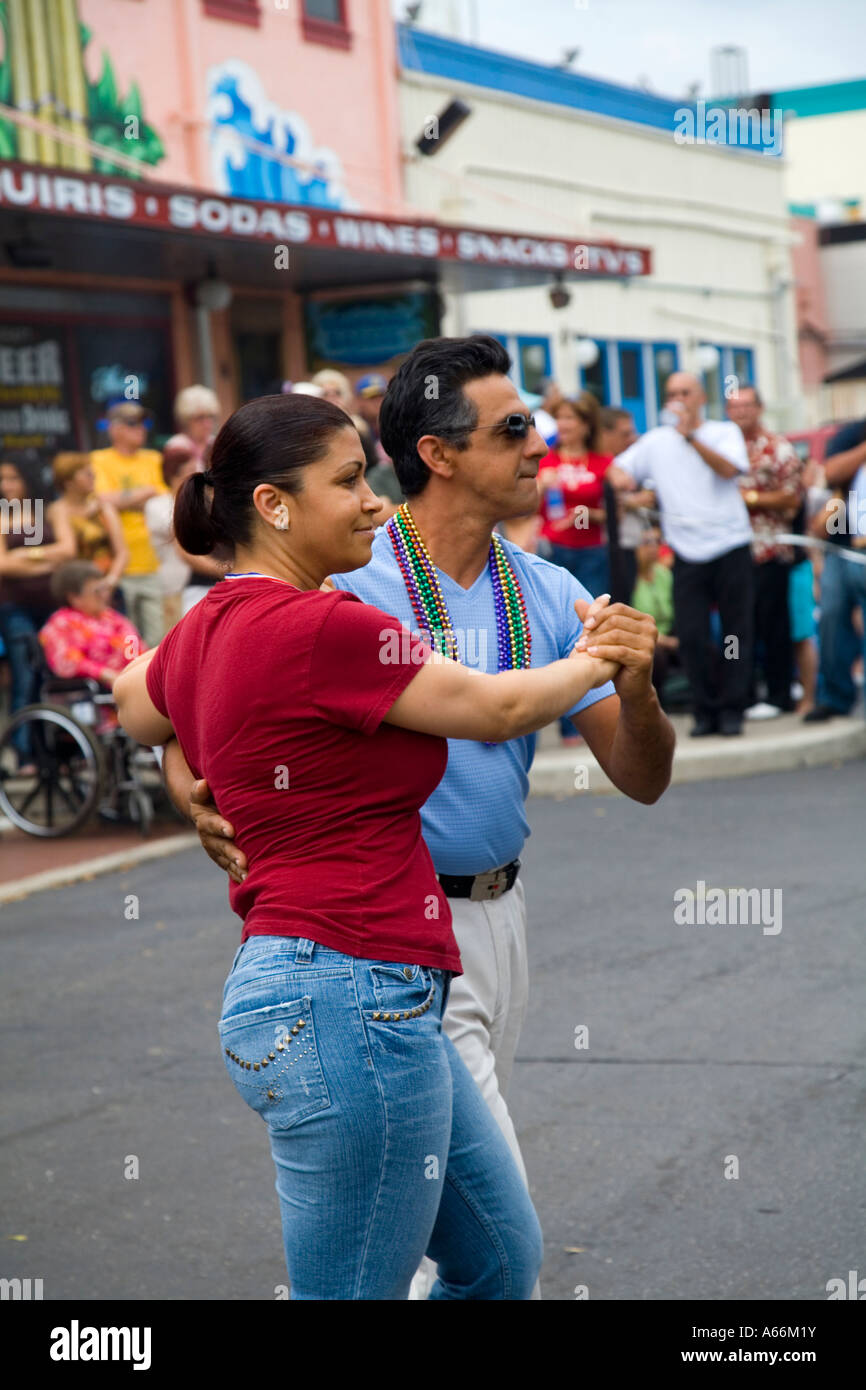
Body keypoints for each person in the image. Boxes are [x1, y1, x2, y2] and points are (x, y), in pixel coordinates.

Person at [151, 335, 674, 1300]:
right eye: (515, 428)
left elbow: (641, 777)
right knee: (409, 1263)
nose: (541, 445)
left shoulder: (547, 590)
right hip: (364, 952)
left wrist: (634, 682)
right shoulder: (330, 586)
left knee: (493, 1257)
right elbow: (160, 688)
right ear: (439, 451)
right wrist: (196, 781)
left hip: (469, 928)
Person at [608, 371, 754, 737]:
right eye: (671, 393)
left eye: (685, 392)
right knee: (691, 634)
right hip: (687, 552)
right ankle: (705, 710)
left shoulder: (723, 432)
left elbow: (729, 469)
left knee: (735, 633)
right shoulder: (656, 441)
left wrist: (691, 436)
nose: (678, 399)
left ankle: (733, 706)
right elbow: (618, 470)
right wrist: (624, 485)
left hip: (730, 544)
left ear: (701, 397)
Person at [725, 385, 806, 719]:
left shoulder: (777, 448)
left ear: (759, 408)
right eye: (734, 406)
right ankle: (742, 694)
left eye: (746, 405)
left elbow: (792, 499)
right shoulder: (722, 446)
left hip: (769, 549)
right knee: (739, 628)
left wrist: (751, 500)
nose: (740, 412)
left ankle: (779, 693)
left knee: (773, 624)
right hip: (730, 549)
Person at [537, 392, 613, 742]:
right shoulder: (545, 462)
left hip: (592, 552)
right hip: (554, 552)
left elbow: (616, 512)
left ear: (586, 425)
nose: (565, 425)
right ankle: (565, 723)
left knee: (591, 628)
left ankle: (594, 715)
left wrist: (584, 515)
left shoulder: (603, 463)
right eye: (561, 418)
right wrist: (540, 489)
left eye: (572, 419)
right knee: (557, 632)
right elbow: (523, 507)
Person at [0, 458, 76, 770]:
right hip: (15, 607)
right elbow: (3, 565)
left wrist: (25, 556)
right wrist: (46, 558)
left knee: (57, 675)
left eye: (12, 477)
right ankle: (25, 753)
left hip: (52, 604)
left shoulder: (44, 509)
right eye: (2, 480)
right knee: (25, 677)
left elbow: (68, 552)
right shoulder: (5, 514)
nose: (7, 485)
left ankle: (59, 750)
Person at [801, 417, 866, 722]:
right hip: (844, 549)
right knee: (831, 617)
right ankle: (834, 697)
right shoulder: (852, 434)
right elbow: (832, 472)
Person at [90, 402, 168, 648]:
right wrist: (142, 495)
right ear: (114, 429)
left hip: (153, 563)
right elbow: (101, 499)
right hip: (115, 568)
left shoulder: (154, 458)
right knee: (124, 643)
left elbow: (163, 498)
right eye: (132, 423)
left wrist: (122, 499)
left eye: (144, 423)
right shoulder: (99, 459)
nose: (141, 429)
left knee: (158, 641)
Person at [40, 560, 145, 731]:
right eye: (97, 591)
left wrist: (135, 669)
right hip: (93, 693)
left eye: (104, 588)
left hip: (127, 686)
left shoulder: (114, 619)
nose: (104, 595)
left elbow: (133, 645)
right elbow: (67, 661)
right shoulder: (60, 624)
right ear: (74, 598)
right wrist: (105, 674)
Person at [144, 439, 229, 625]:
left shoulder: (205, 501)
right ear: (176, 475)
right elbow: (183, 547)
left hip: (204, 583)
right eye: (191, 471)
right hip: (177, 585)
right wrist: (227, 572)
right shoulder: (158, 505)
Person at [51, 452, 128, 605]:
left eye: (92, 473)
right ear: (68, 481)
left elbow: (122, 552)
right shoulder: (58, 510)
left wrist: (110, 582)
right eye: (86, 473)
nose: (93, 477)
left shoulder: (104, 509)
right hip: (77, 592)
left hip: (108, 586)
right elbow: (68, 550)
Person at [599, 407, 654, 605]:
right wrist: (632, 501)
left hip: (629, 546)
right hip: (607, 551)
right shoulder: (601, 465)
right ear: (605, 433)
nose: (632, 438)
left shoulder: (626, 462)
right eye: (625, 434)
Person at [631, 524, 679, 705]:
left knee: (701, 646)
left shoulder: (664, 574)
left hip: (670, 631)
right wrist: (664, 640)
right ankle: (656, 704)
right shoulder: (630, 580)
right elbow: (634, 622)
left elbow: (677, 609)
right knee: (655, 656)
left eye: (656, 542)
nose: (652, 547)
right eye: (646, 542)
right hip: (644, 637)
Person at [354, 372, 403, 515]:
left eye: (381, 396)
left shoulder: (398, 421)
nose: (377, 402)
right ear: (359, 401)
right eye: (371, 398)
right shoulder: (356, 430)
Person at [166, 385, 220, 464]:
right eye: (200, 418)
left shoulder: (216, 443)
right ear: (186, 420)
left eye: (210, 416)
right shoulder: (177, 447)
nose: (207, 423)